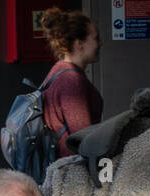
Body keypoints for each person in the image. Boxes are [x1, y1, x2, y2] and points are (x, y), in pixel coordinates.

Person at [39, 8, 103, 158]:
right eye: (95, 38)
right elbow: (84, 139)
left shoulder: (58, 71)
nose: (101, 43)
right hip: (73, 172)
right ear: (79, 44)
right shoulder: (71, 81)